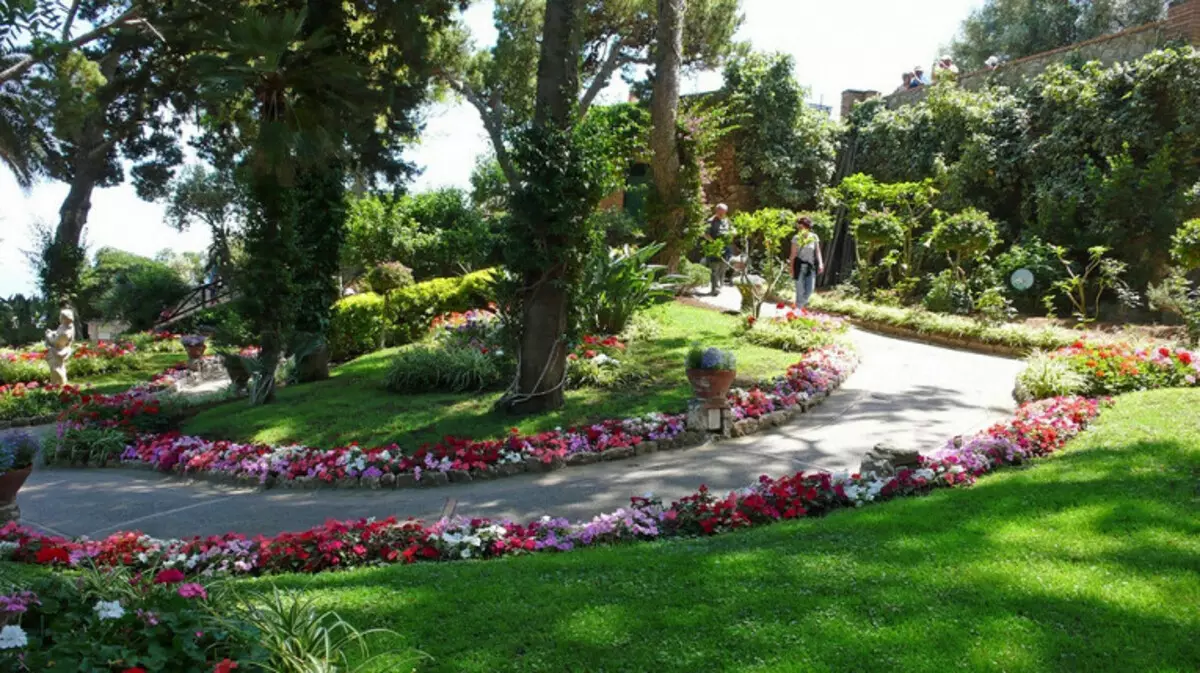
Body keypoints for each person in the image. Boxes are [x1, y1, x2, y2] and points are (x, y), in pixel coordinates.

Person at [790, 216, 824, 309]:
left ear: (808, 227)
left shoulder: (814, 237)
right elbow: (793, 255)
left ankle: (797, 307)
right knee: (800, 291)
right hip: (799, 267)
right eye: (799, 227)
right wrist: (791, 268)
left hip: (810, 267)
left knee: (810, 290)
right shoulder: (796, 238)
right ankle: (798, 312)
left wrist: (821, 263)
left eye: (802, 227)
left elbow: (817, 251)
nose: (800, 229)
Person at [702, 203, 734, 295]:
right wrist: (714, 243)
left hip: (726, 249)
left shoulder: (727, 220)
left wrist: (733, 233)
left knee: (723, 268)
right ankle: (714, 289)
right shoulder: (710, 221)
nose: (722, 214)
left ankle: (720, 286)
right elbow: (705, 234)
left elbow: (732, 229)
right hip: (714, 248)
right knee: (714, 269)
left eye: (724, 213)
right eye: (720, 213)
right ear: (716, 211)